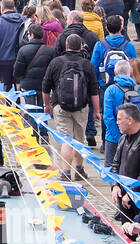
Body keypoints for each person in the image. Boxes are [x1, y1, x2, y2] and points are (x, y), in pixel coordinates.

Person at [42, 34, 101, 179]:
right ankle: (79, 170)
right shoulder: (87, 64)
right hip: (81, 107)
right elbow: (94, 89)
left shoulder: (56, 62)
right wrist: (97, 111)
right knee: (79, 139)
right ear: (81, 47)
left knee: (66, 139)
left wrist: (46, 105)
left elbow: (45, 86)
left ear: (66, 46)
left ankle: (66, 172)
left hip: (60, 106)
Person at [108, 104, 140, 218]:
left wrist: (132, 193)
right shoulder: (123, 138)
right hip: (123, 194)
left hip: (139, 197)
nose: (117, 122)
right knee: (125, 229)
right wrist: (115, 185)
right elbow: (115, 164)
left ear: (130, 120)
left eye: (119, 119)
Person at [101, 60, 140, 167]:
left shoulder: (111, 90)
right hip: (137, 137)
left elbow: (107, 117)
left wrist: (118, 136)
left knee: (111, 170)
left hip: (113, 138)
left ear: (115, 72)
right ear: (131, 71)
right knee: (133, 170)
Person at [13, 23, 54, 107]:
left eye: (28, 34)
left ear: (32, 35)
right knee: (42, 112)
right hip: (43, 85)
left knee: (30, 111)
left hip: (27, 85)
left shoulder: (23, 50)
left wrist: (21, 78)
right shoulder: (50, 51)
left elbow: (17, 71)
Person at [91, 14, 136, 88]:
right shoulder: (129, 46)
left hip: (105, 84)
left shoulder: (99, 45)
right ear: (121, 28)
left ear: (106, 28)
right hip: (126, 86)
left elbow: (94, 67)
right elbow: (135, 67)